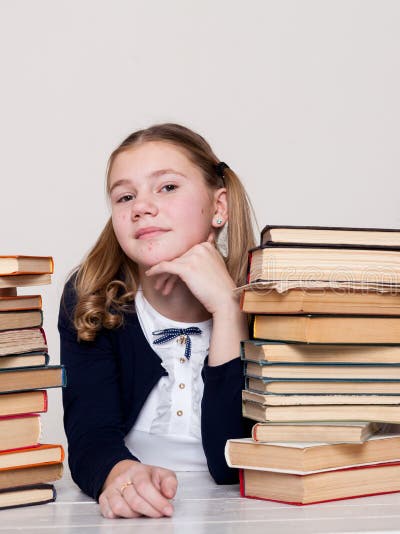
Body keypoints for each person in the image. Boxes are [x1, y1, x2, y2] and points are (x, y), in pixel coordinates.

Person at [58, 123, 257, 518]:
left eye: (167, 187)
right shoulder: (91, 298)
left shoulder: (266, 302)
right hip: (138, 514)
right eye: (125, 196)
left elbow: (232, 465)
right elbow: (90, 436)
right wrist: (120, 474)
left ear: (219, 208)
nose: (141, 207)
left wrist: (226, 310)